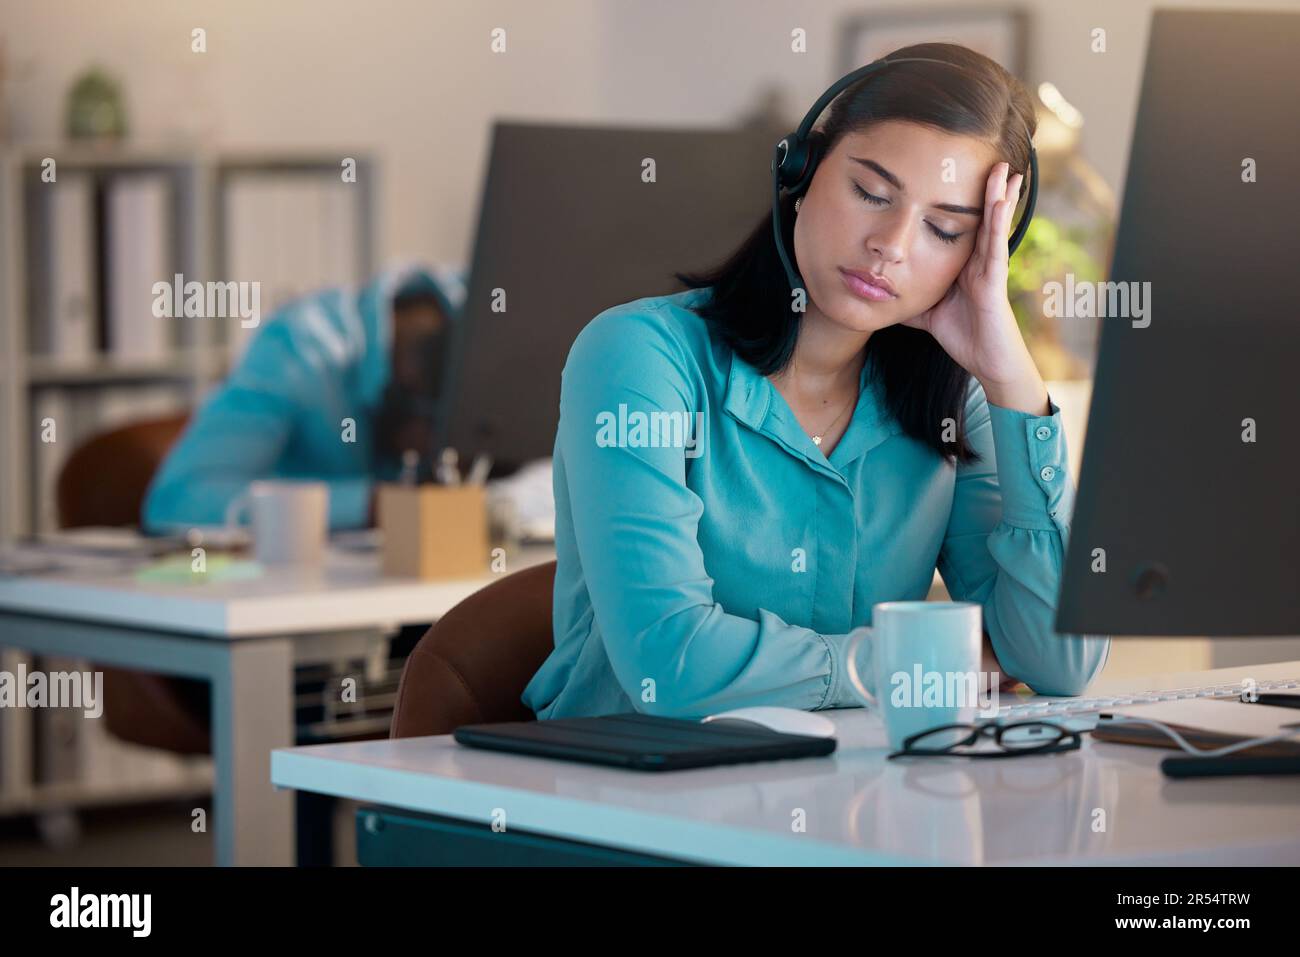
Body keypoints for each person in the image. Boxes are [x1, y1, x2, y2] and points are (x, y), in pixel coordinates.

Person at [522, 42, 1111, 721]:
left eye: (944, 228)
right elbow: (670, 663)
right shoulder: (639, 357)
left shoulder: (957, 397)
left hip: (849, 800)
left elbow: (1059, 662)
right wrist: (911, 665)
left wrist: (1012, 378)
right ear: (801, 173)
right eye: (871, 192)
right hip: (621, 803)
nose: (892, 244)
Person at [143, 264, 465, 533]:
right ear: (405, 392)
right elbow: (176, 501)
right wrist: (371, 505)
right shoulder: (298, 348)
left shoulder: (489, 309)